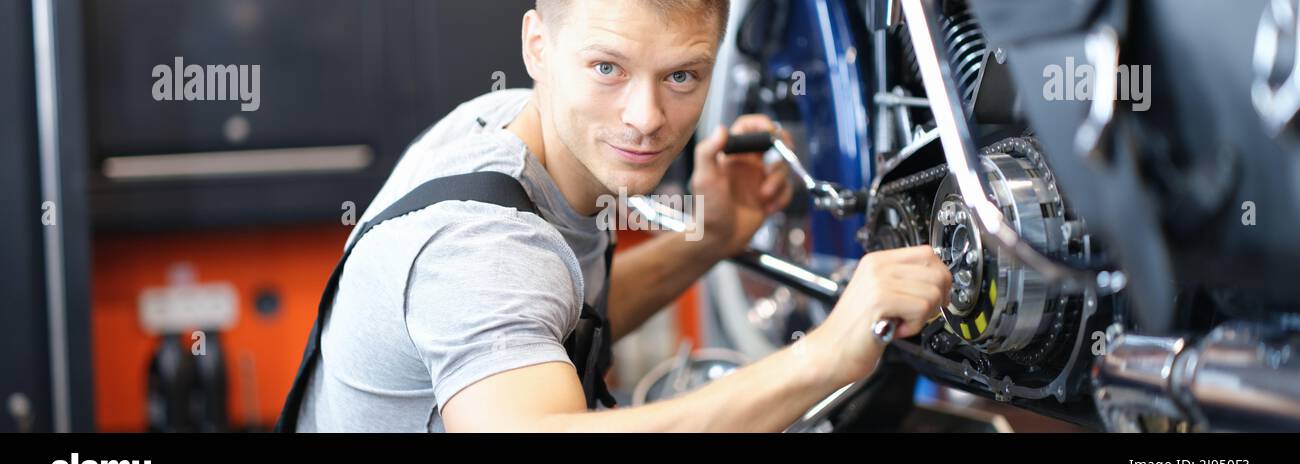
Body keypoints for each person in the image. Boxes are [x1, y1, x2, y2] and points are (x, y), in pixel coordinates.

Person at [288, 0, 951, 432]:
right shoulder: (479, 243)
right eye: (609, 67)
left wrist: (708, 239)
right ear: (538, 45)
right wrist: (827, 357)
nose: (647, 118)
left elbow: (553, 314)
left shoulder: (512, 132)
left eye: (683, 76)